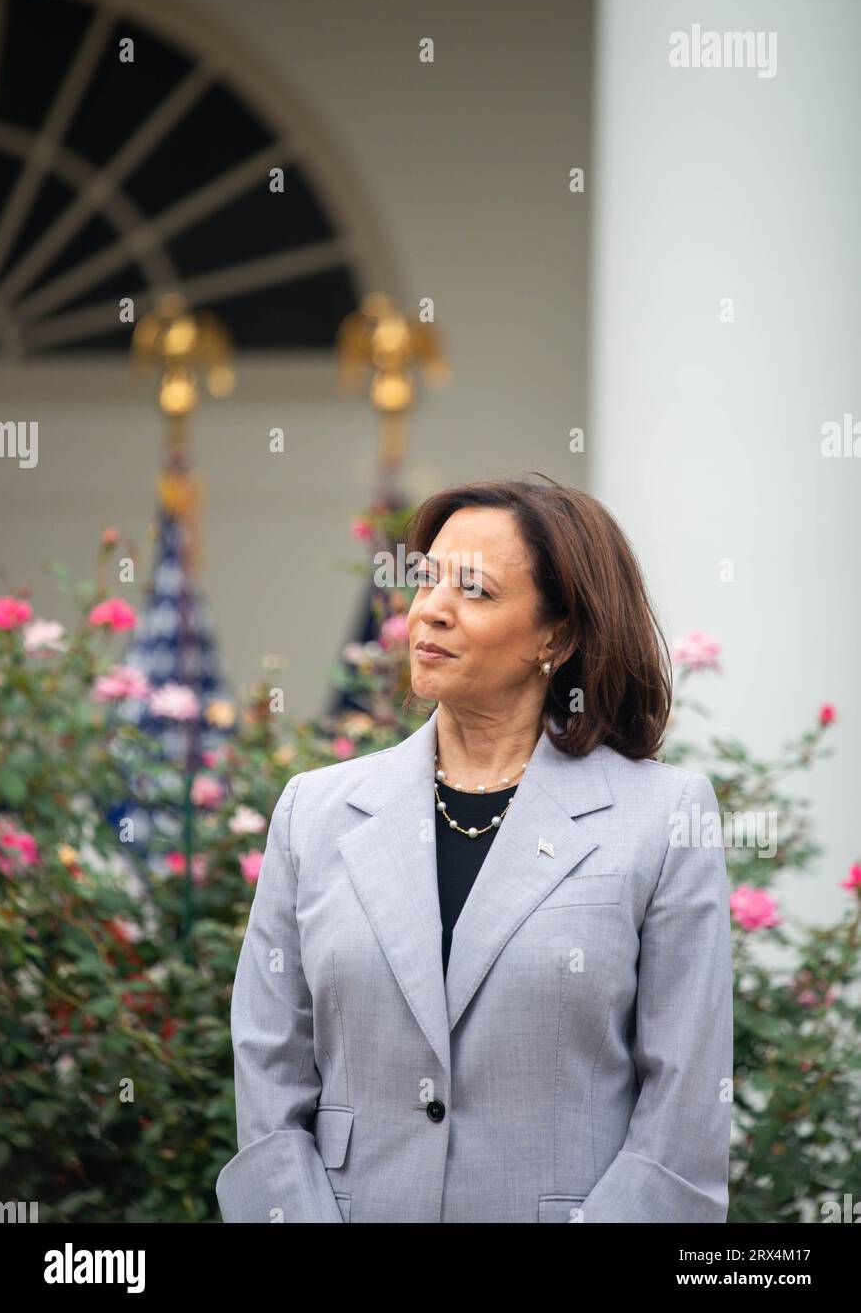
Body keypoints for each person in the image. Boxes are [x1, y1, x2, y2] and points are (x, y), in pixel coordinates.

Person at [215, 475, 734, 1223]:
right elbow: (269, 1080)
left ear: (555, 636)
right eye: (425, 579)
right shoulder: (315, 812)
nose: (431, 608)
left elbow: (681, 1123)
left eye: (475, 590)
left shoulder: (661, 818)